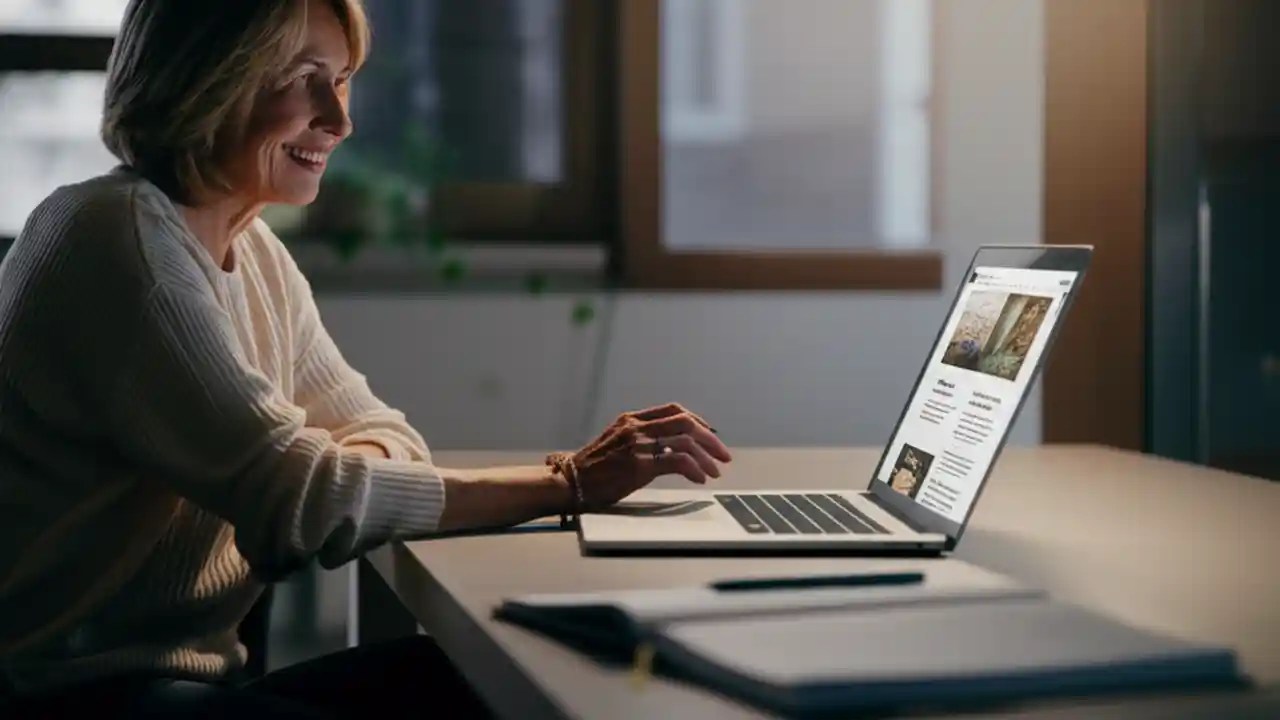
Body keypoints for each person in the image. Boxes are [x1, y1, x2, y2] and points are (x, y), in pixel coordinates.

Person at [0, 1, 732, 716]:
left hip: (180, 683)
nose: (340, 119)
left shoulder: (252, 252)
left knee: (510, 666)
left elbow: (379, 440)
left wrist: (336, 474)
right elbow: (309, 500)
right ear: (203, 77)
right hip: (64, 696)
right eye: (302, 75)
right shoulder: (113, 241)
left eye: (343, 77)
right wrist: (566, 482)